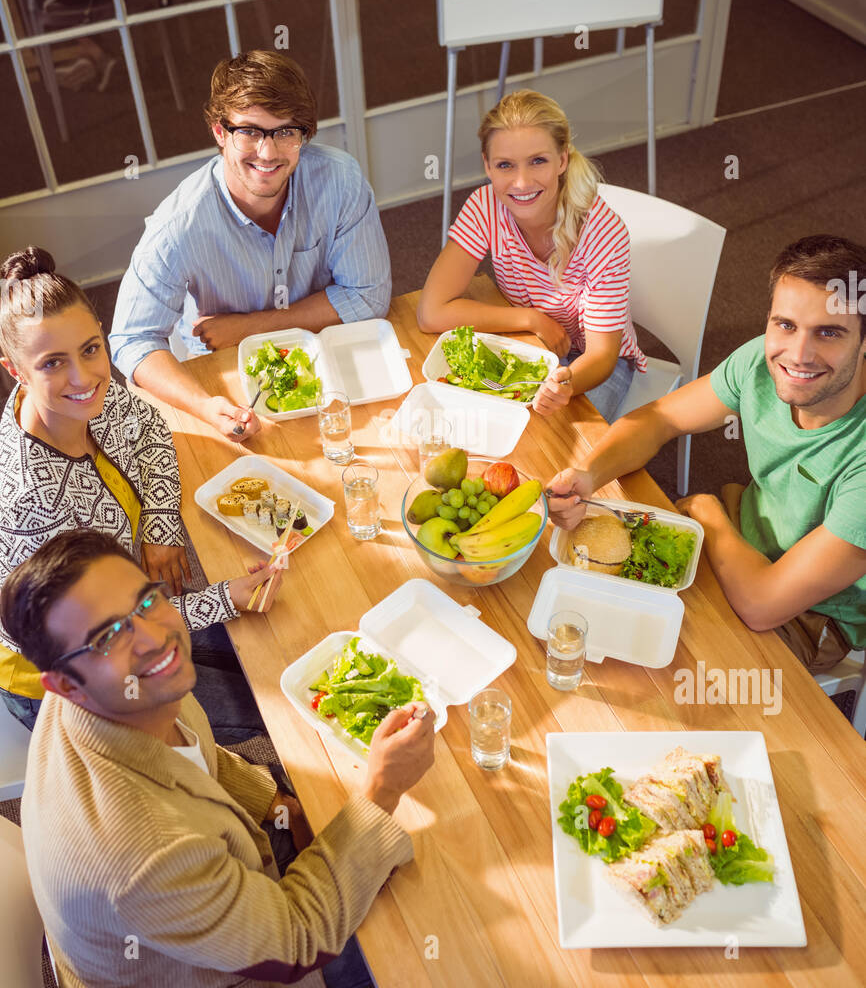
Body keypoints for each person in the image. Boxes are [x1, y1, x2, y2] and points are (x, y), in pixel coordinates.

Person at [5, 529, 435, 988]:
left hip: (187, 907)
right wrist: (382, 791)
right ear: (63, 684)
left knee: (334, 813)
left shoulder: (110, 697)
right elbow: (296, 942)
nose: (155, 636)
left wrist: (279, 804)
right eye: (110, 634)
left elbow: (198, 755)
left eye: (146, 600)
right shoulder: (139, 856)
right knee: (424, 922)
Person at [547, 235, 866, 673]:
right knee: (591, 604)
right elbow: (659, 418)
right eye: (786, 325)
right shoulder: (762, 361)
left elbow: (762, 604)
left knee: (667, 671)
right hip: (744, 537)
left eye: (829, 333)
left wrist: (707, 513)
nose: (799, 354)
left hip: (812, 614)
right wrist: (588, 475)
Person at [0, 248, 277, 741]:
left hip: (124, 598)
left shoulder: (83, 398)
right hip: (75, 676)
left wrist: (159, 524)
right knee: (267, 708)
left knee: (274, 648)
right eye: (52, 363)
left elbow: (149, 428)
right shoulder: (33, 503)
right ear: (16, 371)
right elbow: (107, 640)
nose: (83, 378)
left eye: (90, 348)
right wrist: (221, 600)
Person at [109, 51, 392, 442]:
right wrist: (206, 406)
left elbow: (369, 295)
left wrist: (247, 328)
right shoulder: (178, 225)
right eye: (250, 131)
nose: (268, 152)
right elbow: (131, 341)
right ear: (219, 132)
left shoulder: (340, 181)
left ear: (304, 135)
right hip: (220, 374)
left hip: (323, 356)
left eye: (285, 132)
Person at [417, 89, 646, 423]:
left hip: (597, 364)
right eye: (505, 165)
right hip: (533, 339)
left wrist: (562, 385)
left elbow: (602, 356)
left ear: (563, 159)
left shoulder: (603, 232)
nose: (521, 183)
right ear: (487, 166)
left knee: (549, 441)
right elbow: (431, 313)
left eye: (538, 161)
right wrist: (531, 318)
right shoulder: (484, 206)